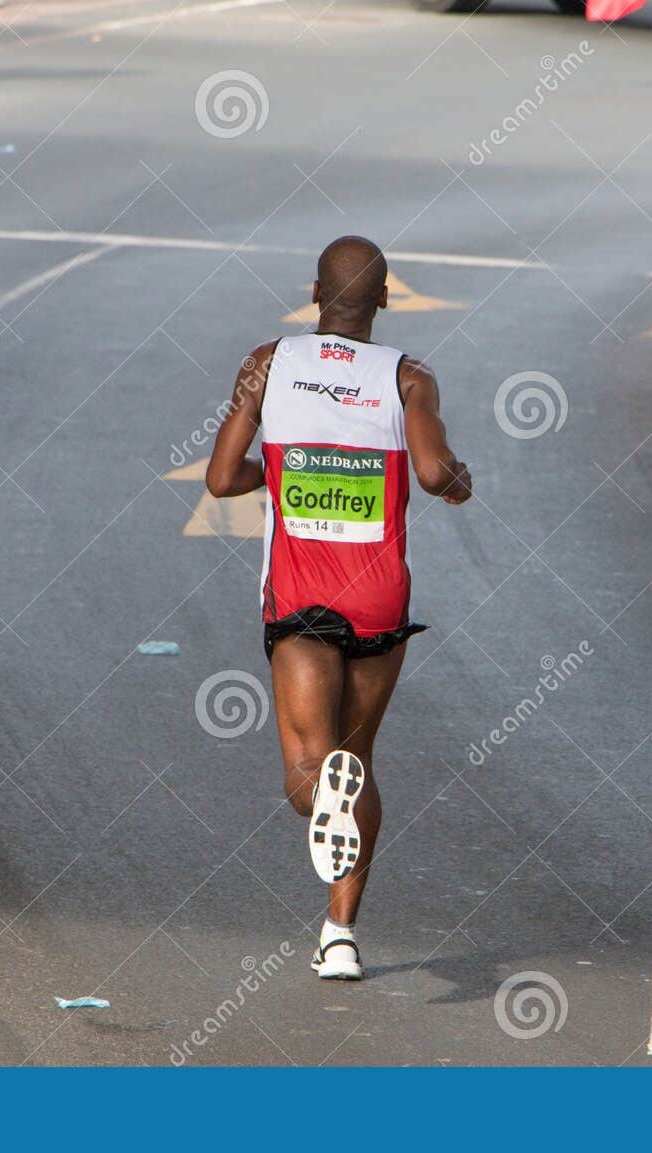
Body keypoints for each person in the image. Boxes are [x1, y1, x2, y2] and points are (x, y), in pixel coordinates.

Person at [205, 236, 473, 981]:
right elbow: (431, 471)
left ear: (313, 292)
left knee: (308, 771)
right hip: (380, 595)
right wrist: (460, 480)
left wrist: (283, 470)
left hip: (302, 592)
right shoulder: (410, 378)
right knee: (358, 757)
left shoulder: (267, 363)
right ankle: (340, 933)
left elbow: (223, 478)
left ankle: (321, 787)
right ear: (385, 300)